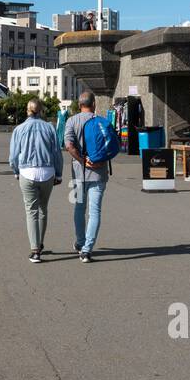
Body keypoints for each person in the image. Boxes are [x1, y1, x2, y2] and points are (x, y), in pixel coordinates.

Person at [9, 98, 63, 263]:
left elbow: (13, 156)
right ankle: (39, 244)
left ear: (27, 110)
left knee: (31, 211)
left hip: (27, 171)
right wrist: (59, 174)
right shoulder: (49, 128)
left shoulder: (19, 129)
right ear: (41, 110)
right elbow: (56, 153)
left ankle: (35, 251)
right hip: (47, 171)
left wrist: (16, 171)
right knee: (43, 209)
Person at [64, 91, 109, 263]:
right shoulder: (101, 121)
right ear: (94, 104)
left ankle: (80, 242)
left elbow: (68, 145)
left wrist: (83, 161)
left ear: (79, 104)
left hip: (78, 172)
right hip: (99, 172)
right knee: (95, 211)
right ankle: (87, 250)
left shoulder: (71, 121)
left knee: (79, 208)